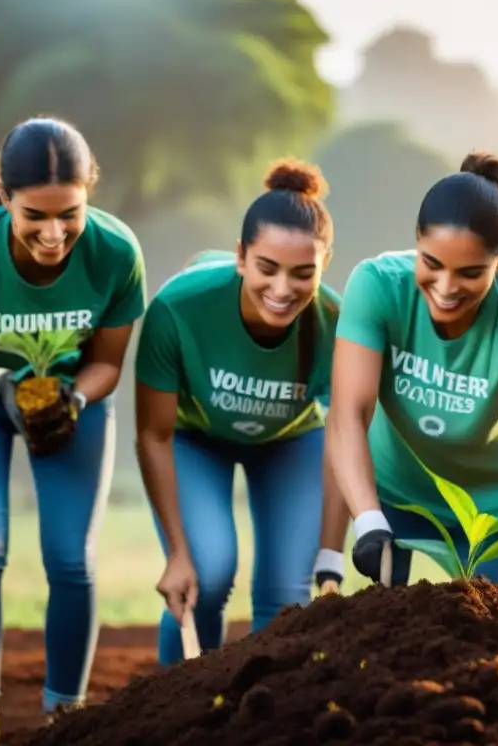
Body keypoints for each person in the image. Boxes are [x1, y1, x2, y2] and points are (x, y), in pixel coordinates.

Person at [0, 116, 147, 745]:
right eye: (34, 215)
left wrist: (72, 398)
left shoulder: (117, 252)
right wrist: (1, 386)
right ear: (5, 199)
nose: (54, 232)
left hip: (72, 397)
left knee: (71, 559)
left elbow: (107, 364)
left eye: (69, 213)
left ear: (89, 194)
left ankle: (63, 718)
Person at [325, 151, 498, 606]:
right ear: (416, 241)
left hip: (487, 511)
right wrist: (368, 521)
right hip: (395, 494)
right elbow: (347, 417)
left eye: (470, 273)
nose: (445, 287)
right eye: (432, 263)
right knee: (376, 644)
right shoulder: (377, 285)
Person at [134, 158, 349, 667]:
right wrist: (176, 553)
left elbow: (346, 434)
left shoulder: (336, 320)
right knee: (205, 577)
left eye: (303, 274)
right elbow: (153, 434)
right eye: (266, 268)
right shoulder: (179, 307)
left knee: (287, 600)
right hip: (194, 439)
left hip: (290, 443)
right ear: (240, 257)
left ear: (324, 264)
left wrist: (331, 554)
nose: (282, 290)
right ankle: (175, 716)